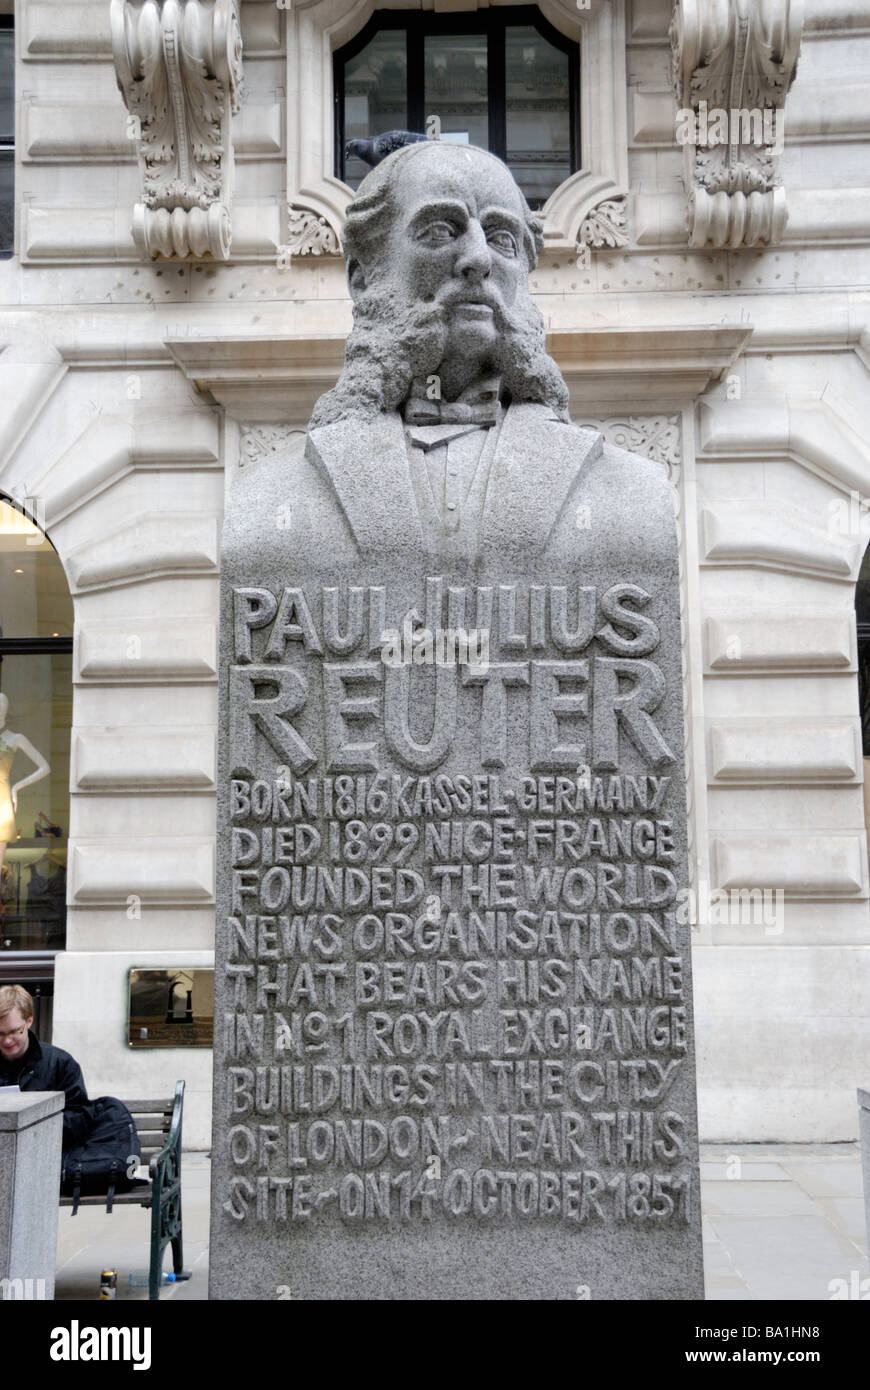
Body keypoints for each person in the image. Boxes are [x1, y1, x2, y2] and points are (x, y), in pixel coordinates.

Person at [0, 984, 91, 1149]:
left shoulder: (60, 1064)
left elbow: (79, 1118)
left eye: (14, 1031)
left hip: (46, 1154)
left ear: (29, 1021)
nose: (7, 1040)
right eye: (0, 1033)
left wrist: (34, 1126)